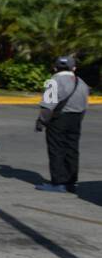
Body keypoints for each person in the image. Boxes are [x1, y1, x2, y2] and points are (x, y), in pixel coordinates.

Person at [35, 55, 89, 193]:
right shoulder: (81, 82)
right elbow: (84, 106)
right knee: (72, 150)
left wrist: (42, 121)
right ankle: (71, 182)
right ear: (74, 68)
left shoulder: (53, 81)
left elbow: (48, 105)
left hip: (59, 120)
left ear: (55, 68)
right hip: (76, 119)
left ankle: (58, 183)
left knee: (57, 149)